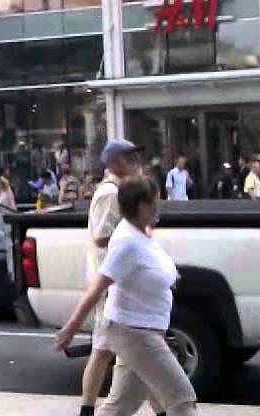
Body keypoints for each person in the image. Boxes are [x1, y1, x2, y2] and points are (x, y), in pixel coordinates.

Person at [56, 177, 197, 416]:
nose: (160, 205)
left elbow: (147, 267)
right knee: (181, 398)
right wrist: (71, 328)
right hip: (135, 333)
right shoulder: (126, 242)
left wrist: (170, 278)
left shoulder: (141, 233)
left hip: (142, 331)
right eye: (155, 201)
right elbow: (98, 287)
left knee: (121, 405)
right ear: (142, 206)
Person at [73, 140, 165, 416]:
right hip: (111, 287)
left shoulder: (121, 191)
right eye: (129, 157)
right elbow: (102, 236)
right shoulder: (110, 193)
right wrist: (136, 231)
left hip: (119, 285)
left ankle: (162, 410)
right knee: (105, 351)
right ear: (114, 162)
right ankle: (87, 410)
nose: (135, 162)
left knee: (135, 356)